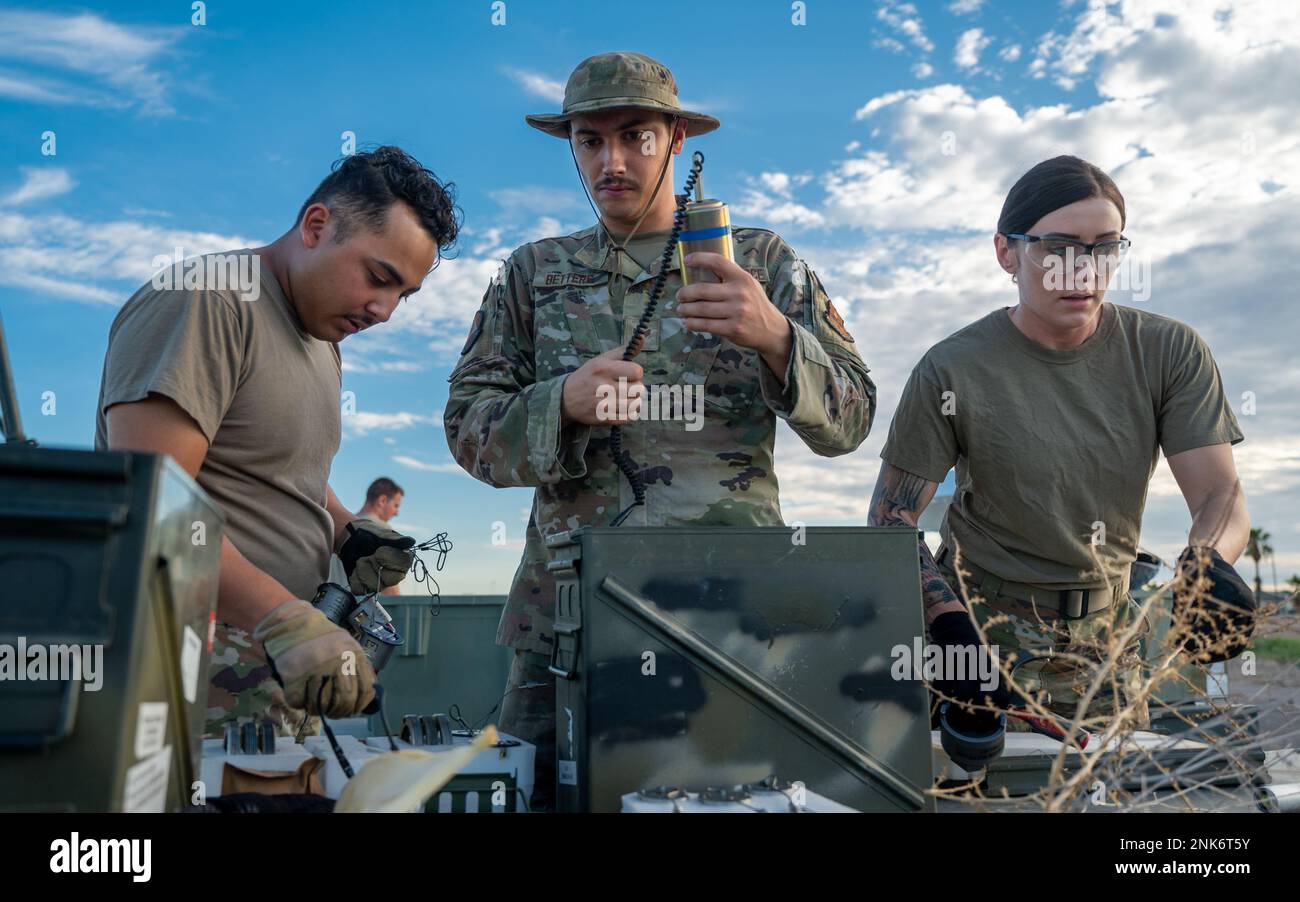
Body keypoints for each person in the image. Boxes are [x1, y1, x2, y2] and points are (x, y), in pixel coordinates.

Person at [444, 52, 876, 809]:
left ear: (677, 139)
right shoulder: (534, 273)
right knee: (546, 799)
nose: (611, 160)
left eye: (635, 136)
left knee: (736, 803)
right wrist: (561, 403)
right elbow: (467, 427)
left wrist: (777, 339)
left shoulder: (762, 261)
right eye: (590, 140)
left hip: (730, 622)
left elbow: (852, 419)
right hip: (566, 621)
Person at [869, 155, 1256, 744]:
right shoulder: (951, 368)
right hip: (979, 640)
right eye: (1059, 247)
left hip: (1111, 650)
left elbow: (1218, 494)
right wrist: (947, 628)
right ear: (1007, 252)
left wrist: (1210, 566)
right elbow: (890, 518)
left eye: (1105, 247)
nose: (1084, 269)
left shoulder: (1169, 351)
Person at [96, 146, 458, 736]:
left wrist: (347, 529)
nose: (386, 310)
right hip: (189, 678)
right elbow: (153, 510)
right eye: (378, 277)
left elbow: (284, 471)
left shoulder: (322, 341)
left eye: (403, 295)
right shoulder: (206, 300)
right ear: (316, 227)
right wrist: (283, 618)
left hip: (275, 677)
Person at [357, 477, 406, 596]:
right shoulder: (383, 531)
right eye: (396, 505)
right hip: (364, 611)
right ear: (382, 500)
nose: (396, 513)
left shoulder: (342, 526)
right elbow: (389, 582)